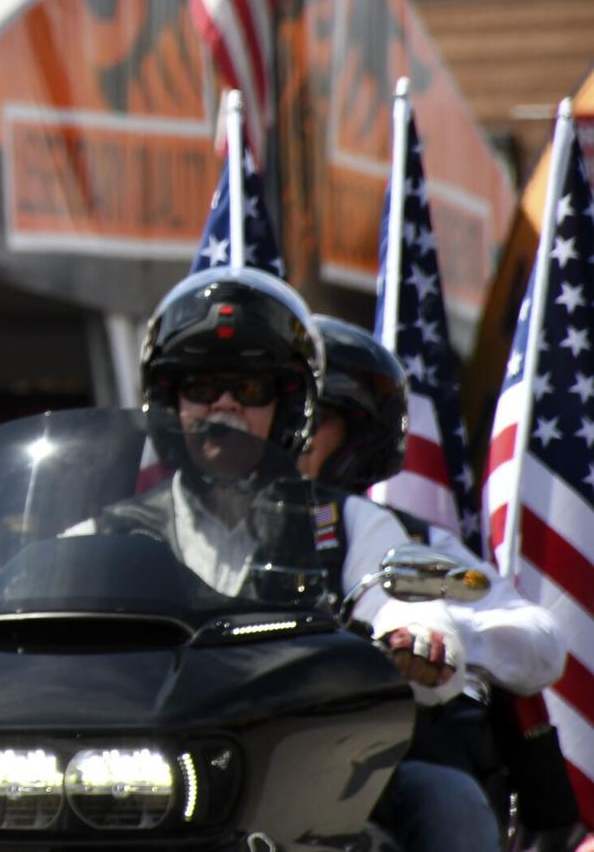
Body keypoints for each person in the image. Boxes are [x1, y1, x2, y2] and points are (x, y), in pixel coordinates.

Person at [121, 267, 511, 852]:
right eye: (201, 385)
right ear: (170, 401)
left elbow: (400, 602)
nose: (224, 403)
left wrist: (419, 638)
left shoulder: (346, 522)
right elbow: (28, 599)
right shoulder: (112, 531)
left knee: (448, 800)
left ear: (287, 407)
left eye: (249, 388)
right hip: (144, 767)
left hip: (318, 766)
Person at [301, 315, 574, 852]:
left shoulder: (407, 538)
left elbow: (542, 642)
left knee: (449, 803)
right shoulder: (174, 524)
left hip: (377, 760)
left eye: (313, 418)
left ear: (356, 433)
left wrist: (432, 641)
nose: (292, 433)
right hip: (235, 744)